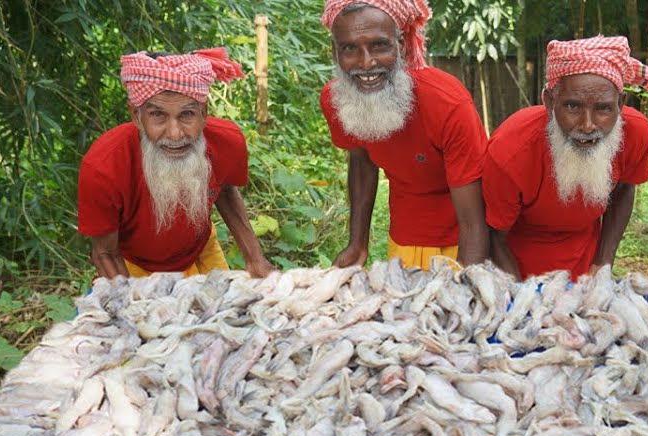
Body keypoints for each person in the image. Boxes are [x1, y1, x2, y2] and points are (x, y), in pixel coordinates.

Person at [319, 0, 489, 269]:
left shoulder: (446, 102)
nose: (366, 63)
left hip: (464, 239)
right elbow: (361, 160)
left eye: (379, 45)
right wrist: (357, 243)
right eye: (350, 48)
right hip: (406, 234)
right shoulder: (336, 100)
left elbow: (474, 221)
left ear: (401, 45)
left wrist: (469, 276)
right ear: (334, 51)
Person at [78, 48, 276, 279]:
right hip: (132, 266)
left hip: (200, 253)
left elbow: (225, 191)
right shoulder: (103, 167)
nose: (175, 134)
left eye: (187, 114)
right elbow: (105, 253)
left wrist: (256, 260)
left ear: (203, 113)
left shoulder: (226, 142)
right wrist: (128, 297)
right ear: (136, 116)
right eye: (158, 115)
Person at [481, 35, 648, 280]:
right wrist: (519, 292)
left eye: (603, 108)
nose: (587, 126)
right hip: (517, 261)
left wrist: (603, 262)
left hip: (586, 257)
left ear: (620, 103)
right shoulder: (510, 150)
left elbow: (624, 189)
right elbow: (494, 234)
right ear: (549, 102)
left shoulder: (636, 132)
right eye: (573, 107)